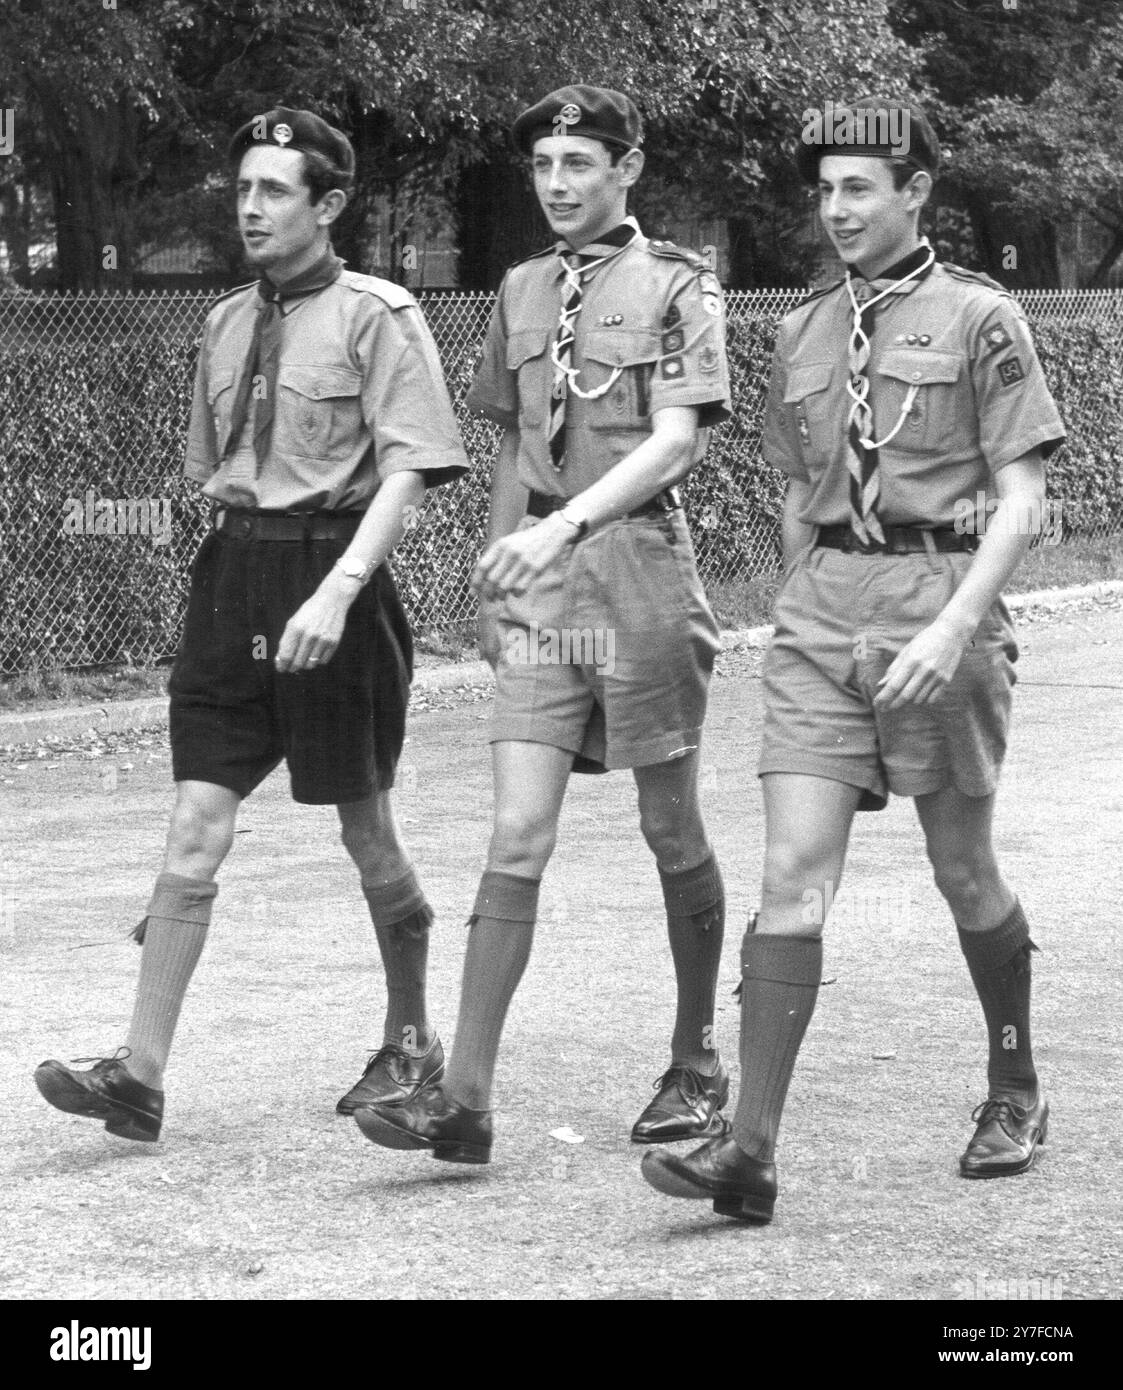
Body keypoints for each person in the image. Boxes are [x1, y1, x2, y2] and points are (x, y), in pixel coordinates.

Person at [642, 96, 1066, 1223]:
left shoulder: (982, 318)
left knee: (960, 868)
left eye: (859, 188)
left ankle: (1014, 1082)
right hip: (821, 614)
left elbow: (1022, 499)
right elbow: (793, 483)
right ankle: (749, 1151)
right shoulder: (802, 327)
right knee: (791, 879)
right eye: (823, 190)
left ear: (915, 190)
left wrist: (951, 624)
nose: (835, 210)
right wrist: (794, 602)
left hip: (940, 597)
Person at [34, 107, 469, 1142]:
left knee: (365, 831)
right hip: (234, 578)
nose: (251, 209)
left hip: (336, 582)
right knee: (195, 823)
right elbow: (214, 469)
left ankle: (410, 1039)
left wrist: (339, 589)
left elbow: (411, 462)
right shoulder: (226, 319)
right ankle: (137, 1075)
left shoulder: (380, 313)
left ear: (328, 205)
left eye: (275, 191)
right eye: (242, 191)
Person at [353, 84, 732, 1165]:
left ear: (627, 169)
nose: (558, 184)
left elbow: (673, 444)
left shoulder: (678, 285)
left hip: (640, 575)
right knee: (516, 831)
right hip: (543, 593)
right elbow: (521, 440)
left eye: (578, 163)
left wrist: (562, 527)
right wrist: (498, 576)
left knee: (670, 827)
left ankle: (697, 1059)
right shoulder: (520, 288)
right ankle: (463, 1098)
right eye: (544, 166)